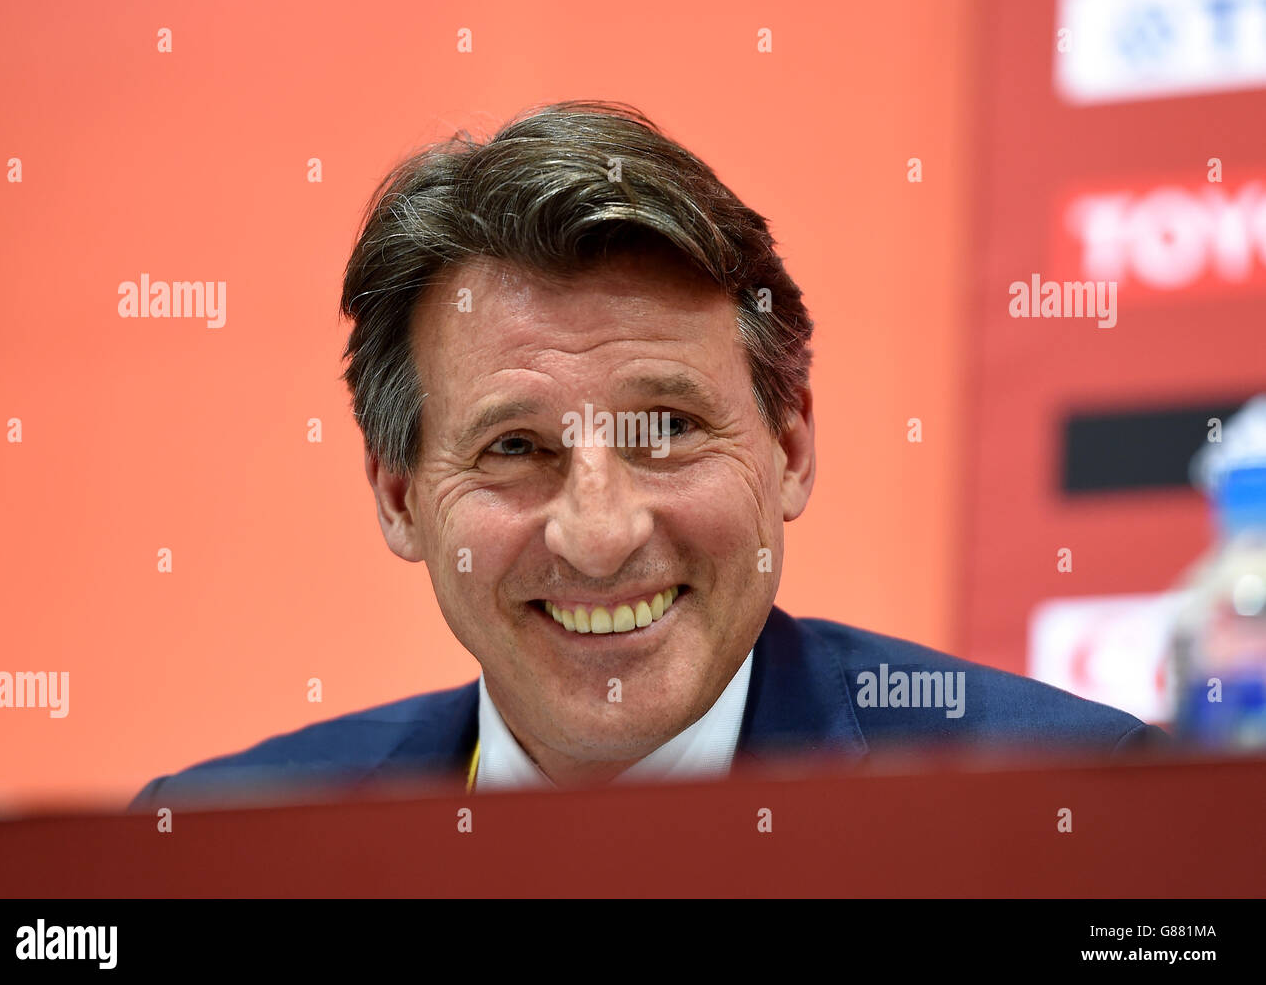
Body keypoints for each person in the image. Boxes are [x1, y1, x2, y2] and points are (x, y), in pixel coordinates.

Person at [130, 101, 1164, 811]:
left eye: (666, 429)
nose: (599, 533)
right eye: (516, 446)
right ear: (400, 497)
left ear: (790, 444)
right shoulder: (220, 846)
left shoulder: (1065, 807)